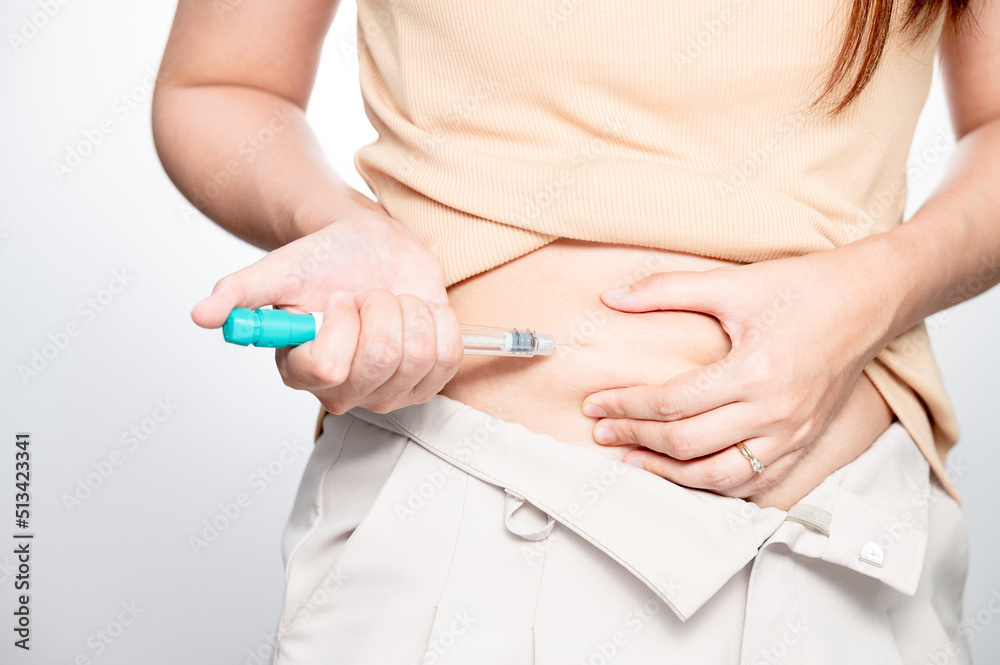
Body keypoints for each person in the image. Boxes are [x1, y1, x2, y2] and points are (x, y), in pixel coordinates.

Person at [152, 0, 997, 662]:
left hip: (845, 549)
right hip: (470, 531)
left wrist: (877, 288)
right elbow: (220, 83)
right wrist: (335, 220)